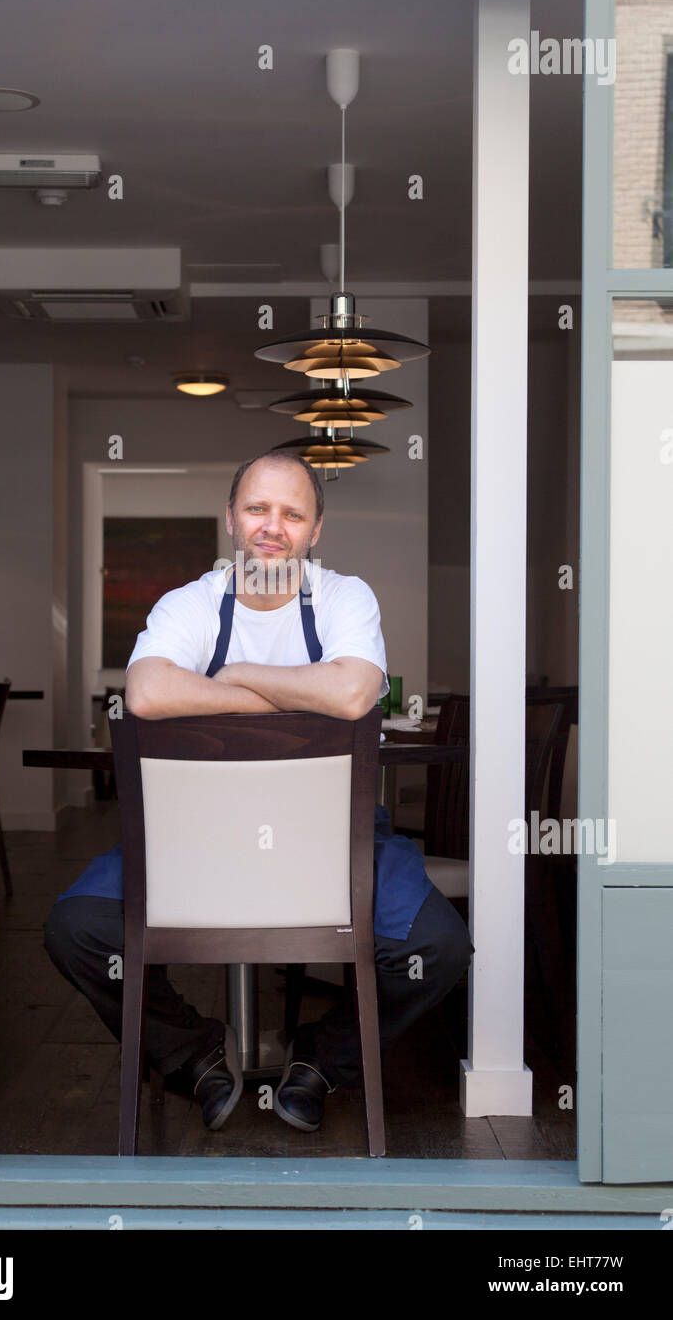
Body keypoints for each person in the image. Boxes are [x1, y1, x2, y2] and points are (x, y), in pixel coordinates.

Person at [43, 451, 473, 1134]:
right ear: (231, 519)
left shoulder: (342, 598)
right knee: (78, 930)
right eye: (257, 509)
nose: (272, 526)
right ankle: (191, 1055)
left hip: (335, 836)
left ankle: (322, 1061)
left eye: (292, 513)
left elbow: (356, 691)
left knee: (437, 949)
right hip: (197, 839)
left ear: (314, 530)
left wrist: (233, 678)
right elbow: (149, 692)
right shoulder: (186, 606)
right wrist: (303, 698)